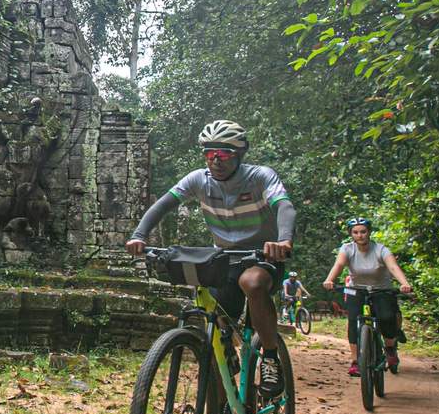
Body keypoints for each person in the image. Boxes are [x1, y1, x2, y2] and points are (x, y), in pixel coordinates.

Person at [126, 119, 295, 397]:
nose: (216, 160)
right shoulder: (198, 179)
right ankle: (225, 406)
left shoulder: (260, 177)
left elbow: (284, 207)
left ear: (239, 155)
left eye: (224, 154)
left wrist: (283, 240)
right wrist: (139, 235)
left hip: (262, 256)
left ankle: (270, 357)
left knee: (252, 283)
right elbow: (164, 205)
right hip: (225, 258)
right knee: (215, 326)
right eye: (209, 154)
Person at [321, 217, 412, 376]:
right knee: (353, 321)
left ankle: (390, 348)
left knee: (386, 317)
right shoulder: (347, 249)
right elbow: (339, 265)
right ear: (351, 234)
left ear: (369, 232)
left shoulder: (380, 250)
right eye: (355, 232)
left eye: (363, 231)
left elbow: (393, 267)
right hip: (356, 290)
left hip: (381, 290)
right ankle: (356, 361)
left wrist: (404, 283)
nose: (360, 235)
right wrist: (329, 280)